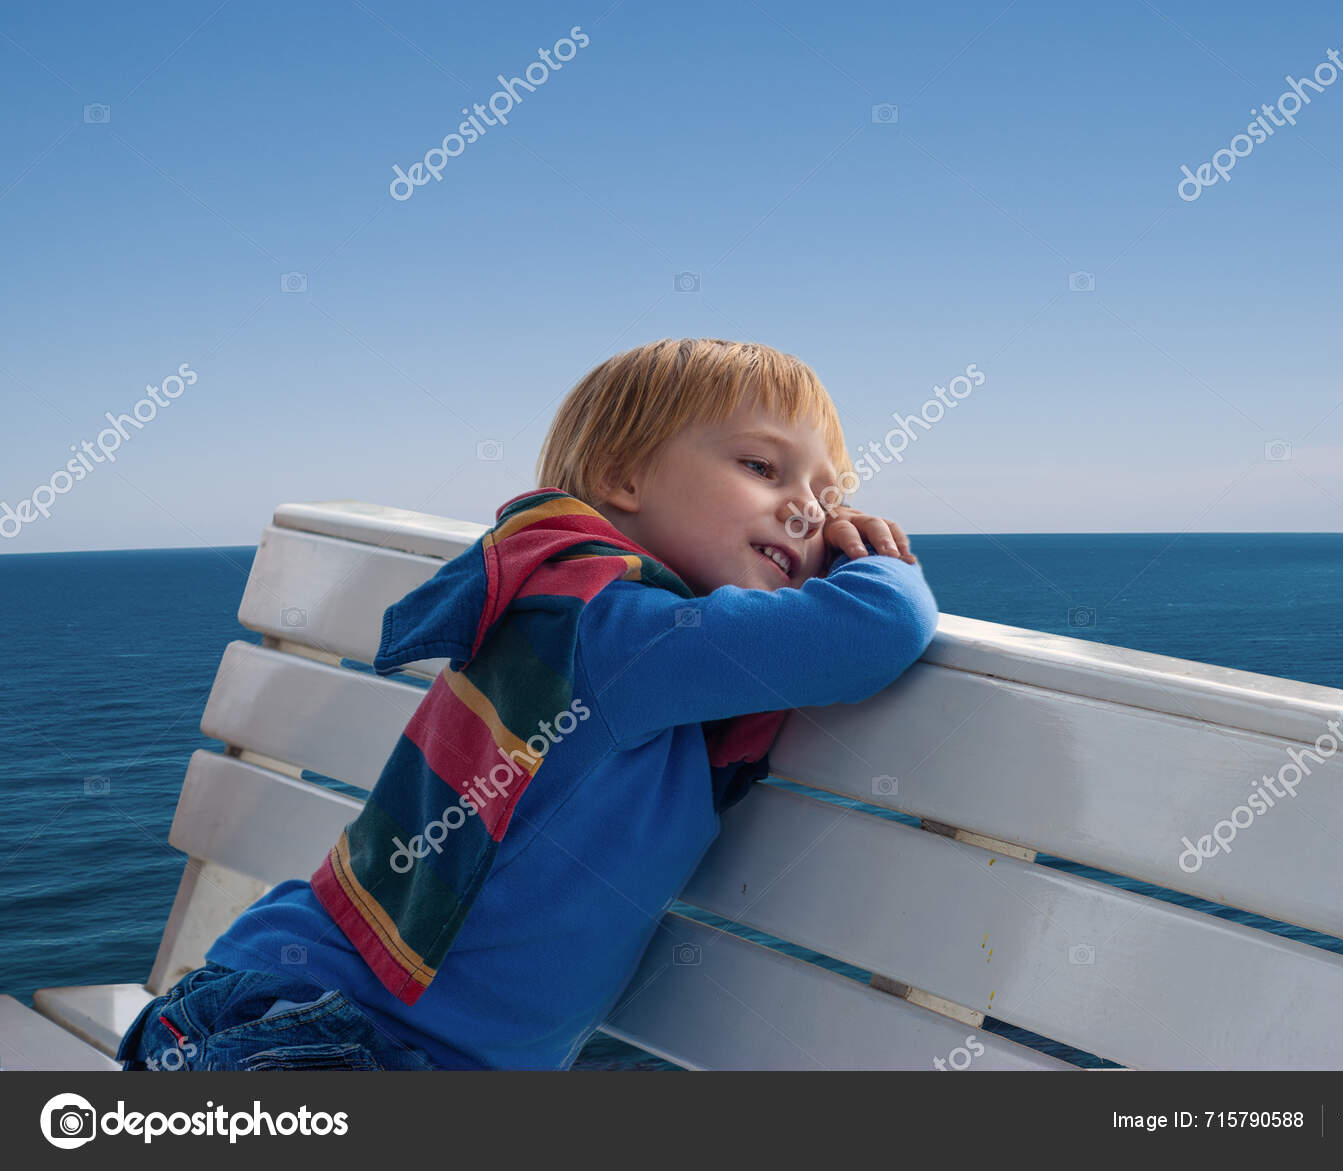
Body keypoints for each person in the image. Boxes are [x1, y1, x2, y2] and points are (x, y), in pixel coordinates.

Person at [116, 337, 938, 1071]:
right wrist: (874, 551)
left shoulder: (578, 610)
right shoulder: (620, 631)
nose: (807, 509)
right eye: (763, 468)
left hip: (300, 1014)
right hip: (330, 1037)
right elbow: (876, 628)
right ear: (622, 476)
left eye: (831, 497)